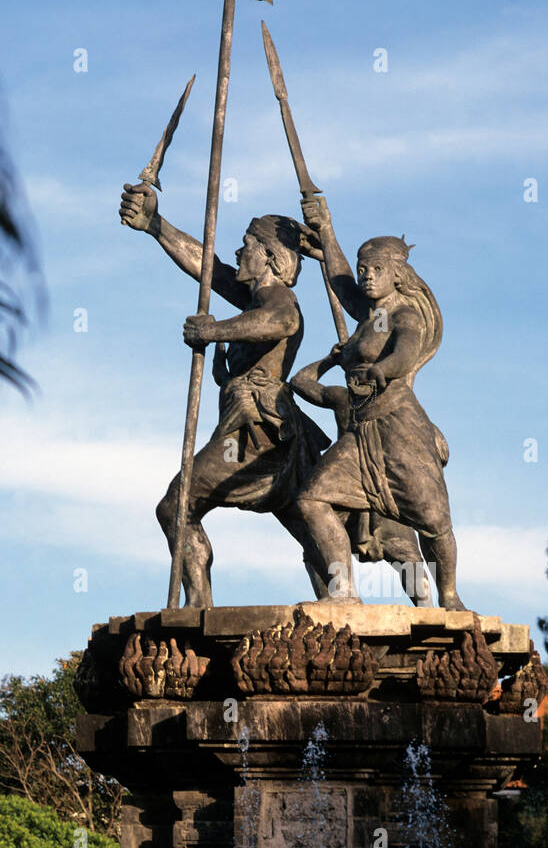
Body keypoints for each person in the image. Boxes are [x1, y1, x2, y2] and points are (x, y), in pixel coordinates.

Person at [118, 183, 329, 606]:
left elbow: (280, 322)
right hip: (267, 431)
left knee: (177, 505)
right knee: (313, 526)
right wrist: (156, 225)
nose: (238, 253)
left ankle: (198, 605)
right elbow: (206, 265)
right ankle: (339, 601)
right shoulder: (254, 298)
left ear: (270, 256)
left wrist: (214, 331)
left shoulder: (279, 300)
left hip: (255, 432)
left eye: (247, 245)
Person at [295, 199, 465, 609]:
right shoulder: (368, 317)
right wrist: (327, 230)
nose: (367, 277)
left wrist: (384, 369)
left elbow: (407, 350)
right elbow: (339, 282)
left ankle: (450, 596)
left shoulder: (404, 314)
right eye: (363, 270)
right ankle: (344, 594)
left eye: (376, 271)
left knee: (434, 521)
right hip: (362, 430)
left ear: (397, 274)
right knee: (312, 499)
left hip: (398, 425)